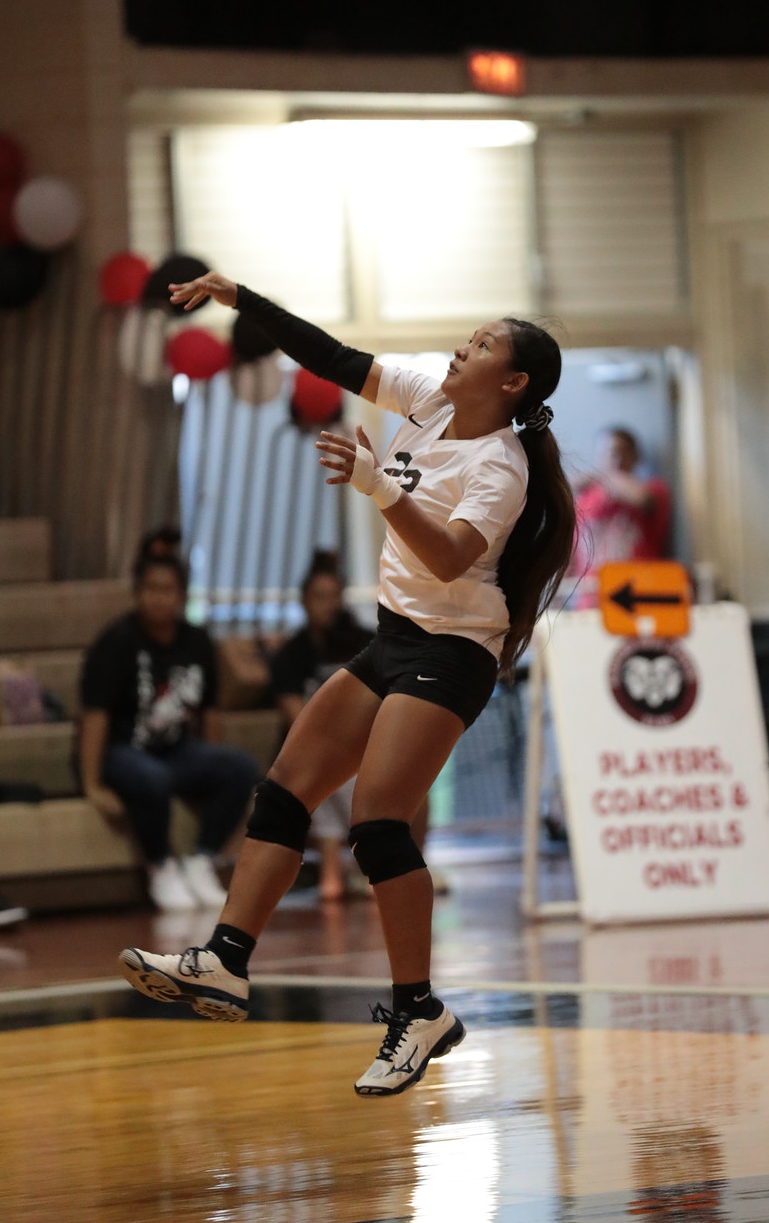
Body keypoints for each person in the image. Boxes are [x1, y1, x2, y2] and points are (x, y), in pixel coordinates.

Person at [119, 269, 575, 1098]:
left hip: (454, 650)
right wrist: (239, 298)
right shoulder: (429, 396)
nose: (458, 348)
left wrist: (377, 485)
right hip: (396, 638)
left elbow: (448, 557)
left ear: (510, 383)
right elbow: (330, 356)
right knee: (284, 792)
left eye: (477, 345)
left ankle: (419, 1011)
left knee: (377, 824)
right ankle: (224, 962)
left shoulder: (498, 466)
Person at [79, 551, 260, 911]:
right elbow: (95, 717)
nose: (159, 597)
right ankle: (160, 865)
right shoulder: (115, 643)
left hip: (175, 749)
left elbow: (209, 710)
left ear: (181, 595)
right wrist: (93, 786)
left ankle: (201, 860)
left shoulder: (196, 642)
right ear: (138, 592)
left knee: (239, 768)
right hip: (122, 751)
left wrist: (208, 764)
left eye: (168, 589)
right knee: (153, 778)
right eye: (151, 589)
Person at [271, 550, 375, 900]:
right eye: (319, 597)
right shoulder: (290, 654)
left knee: (343, 773)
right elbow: (296, 718)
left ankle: (339, 868)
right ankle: (370, 864)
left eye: (334, 597)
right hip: (312, 749)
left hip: (362, 745)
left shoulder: (363, 642)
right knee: (325, 771)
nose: (327, 605)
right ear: (303, 601)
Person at [570, 425, 671, 589]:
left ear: (634, 457)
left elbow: (641, 498)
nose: (613, 459)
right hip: (590, 596)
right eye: (606, 453)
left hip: (640, 591)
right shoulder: (584, 500)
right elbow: (571, 554)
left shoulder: (653, 488)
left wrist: (602, 475)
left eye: (618, 452)